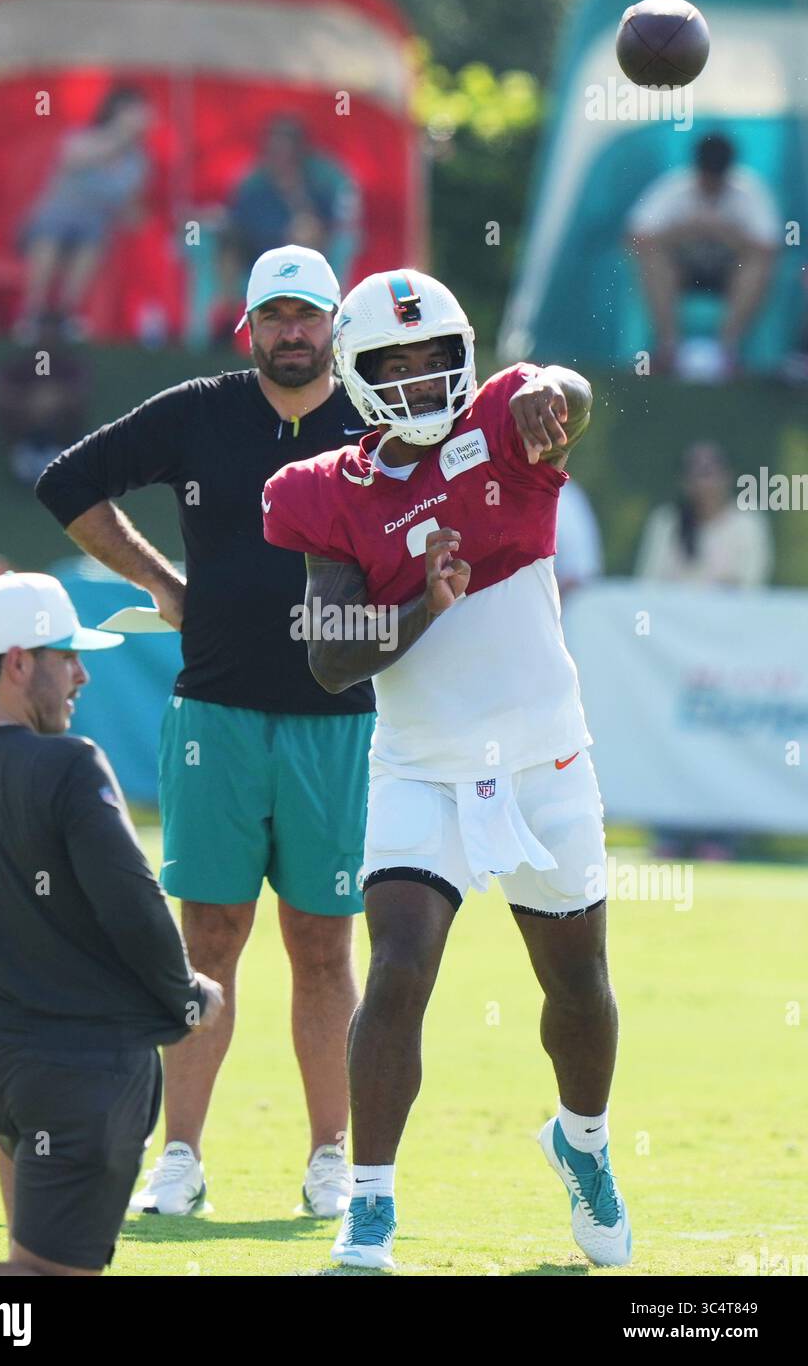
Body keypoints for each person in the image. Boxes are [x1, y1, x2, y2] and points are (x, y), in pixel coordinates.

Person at [262, 268, 631, 1271]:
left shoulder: (509, 418)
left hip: (546, 758)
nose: (422, 378)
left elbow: (562, 393)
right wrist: (421, 608)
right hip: (423, 766)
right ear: (358, 374)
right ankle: (370, 1202)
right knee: (398, 963)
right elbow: (329, 654)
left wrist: (563, 393)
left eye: (436, 358)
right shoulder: (323, 493)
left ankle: (583, 1141)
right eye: (397, 362)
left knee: (578, 985)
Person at [36, 245, 376, 1220]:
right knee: (206, 946)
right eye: (276, 316)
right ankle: (177, 1157)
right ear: (250, 327)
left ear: (334, 326)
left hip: (338, 722)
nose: (294, 332)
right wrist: (159, 582)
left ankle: (332, 1159)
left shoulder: (373, 419)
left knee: (323, 949)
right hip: (214, 715)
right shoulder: (201, 411)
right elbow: (69, 482)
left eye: (310, 315)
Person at [0, 571, 222, 1276]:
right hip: (79, 1074)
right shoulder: (69, 766)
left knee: (25, 1277)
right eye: (67, 656)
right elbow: (134, 903)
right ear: (17, 662)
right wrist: (187, 993)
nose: (82, 675)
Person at [626, 133, 780, 378]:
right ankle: (669, 348)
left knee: (757, 266)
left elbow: (769, 248)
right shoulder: (674, 188)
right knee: (653, 259)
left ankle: (726, 350)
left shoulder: (750, 192)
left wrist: (727, 235)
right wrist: (685, 231)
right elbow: (636, 238)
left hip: (729, 273)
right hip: (683, 271)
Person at [16, 85, 152, 339]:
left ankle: (65, 314)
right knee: (52, 232)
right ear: (120, 112)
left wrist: (138, 218)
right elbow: (73, 160)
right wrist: (120, 139)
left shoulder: (139, 161)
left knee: (93, 236)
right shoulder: (81, 138)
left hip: (96, 223)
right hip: (56, 213)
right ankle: (33, 312)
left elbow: (129, 208)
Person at [229, 117, 361, 286]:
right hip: (253, 253)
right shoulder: (255, 188)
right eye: (274, 151)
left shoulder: (317, 184)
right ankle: (225, 310)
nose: (281, 159)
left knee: (305, 229)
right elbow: (237, 220)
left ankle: (301, 294)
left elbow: (327, 226)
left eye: (286, 151)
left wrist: (294, 194)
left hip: (297, 257)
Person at [635, 441, 772, 587]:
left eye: (708, 473)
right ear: (683, 481)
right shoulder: (665, 521)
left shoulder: (749, 522)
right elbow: (647, 582)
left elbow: (751, 585)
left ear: (728, 476)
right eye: (694, 473)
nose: (702, 483)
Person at [0, 313, 90, 485]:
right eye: (44, 331)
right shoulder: (20, 363)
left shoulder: (70, 365)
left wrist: (52, 397)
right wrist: (29, 401)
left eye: (52, 332)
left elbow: (79, 393)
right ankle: (30, 452)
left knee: (46, 398)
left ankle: (47, 452)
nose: (47, 338)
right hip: (21, 426)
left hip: (60, 431)